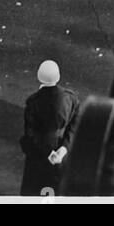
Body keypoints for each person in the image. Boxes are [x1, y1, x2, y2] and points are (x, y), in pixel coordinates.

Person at [19, 60, 81, 196]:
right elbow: (73, 128)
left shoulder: (33, 102)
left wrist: (48, 153)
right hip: (61, 153)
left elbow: (30, 135)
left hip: (40, 155)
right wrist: (63, 149)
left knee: (35, 191)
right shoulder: (71, 99)